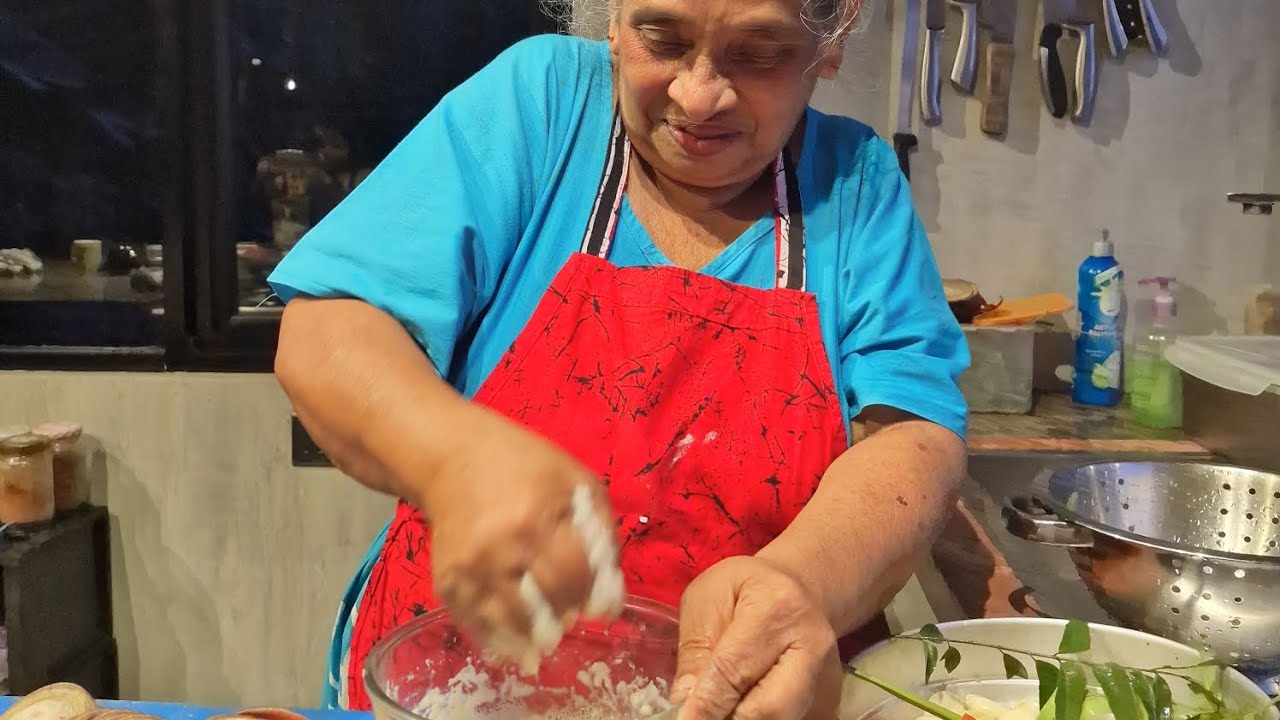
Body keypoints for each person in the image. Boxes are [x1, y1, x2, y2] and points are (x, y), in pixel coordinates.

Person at [270, 0, 969, 717]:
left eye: (759, 54)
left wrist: (803, 581)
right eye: (661, 39)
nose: (698, 96)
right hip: (455, 682)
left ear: (833, 38)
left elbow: (913, 437)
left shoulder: (854, 184)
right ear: (611, 16)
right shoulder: (543, 106)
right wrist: (452, 462)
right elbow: (330, 329)